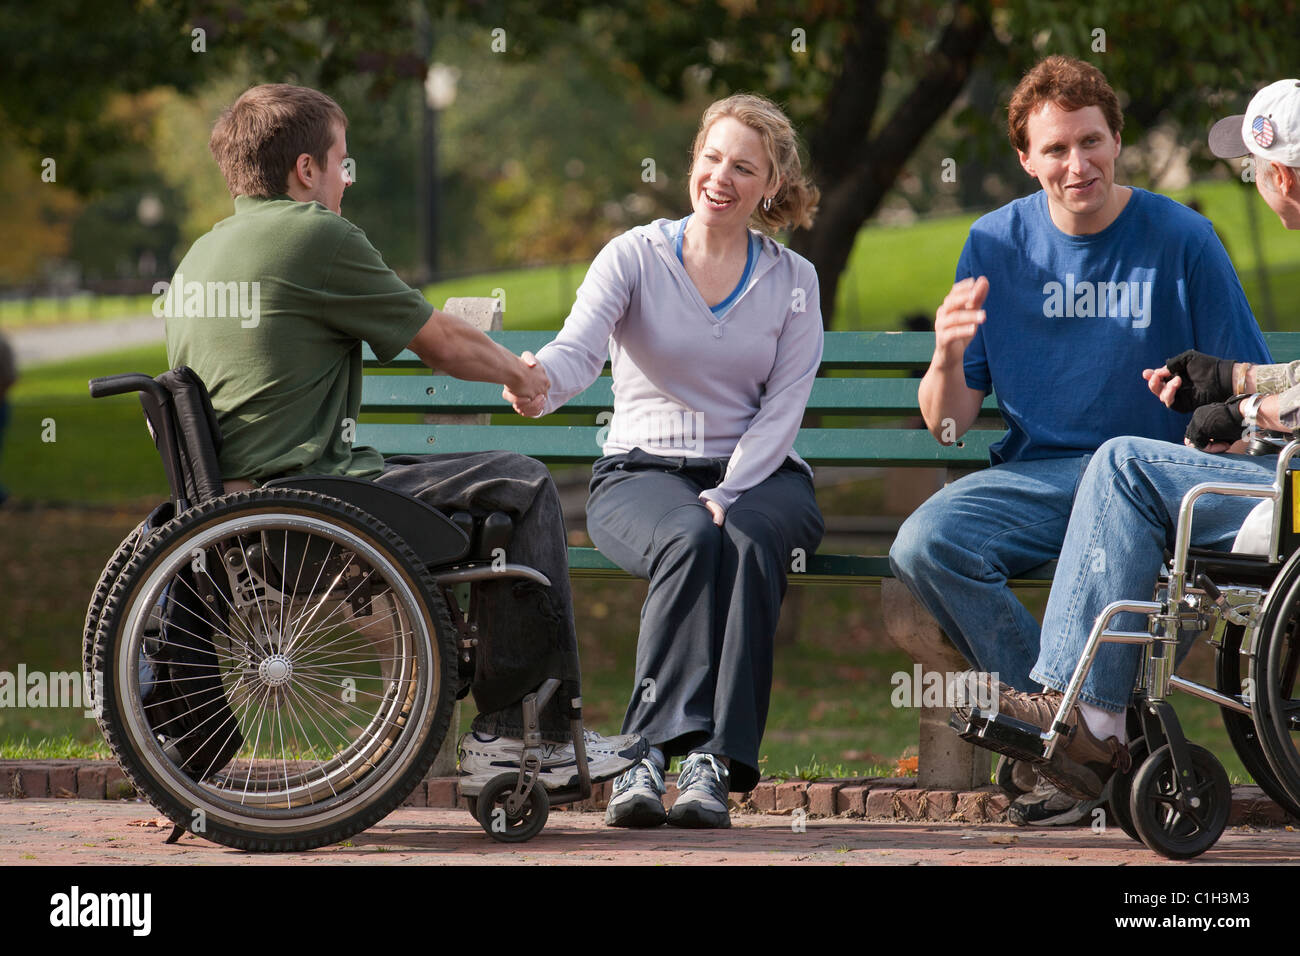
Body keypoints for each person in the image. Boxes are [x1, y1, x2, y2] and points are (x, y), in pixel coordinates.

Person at [164, 83, 645, 792]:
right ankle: (516, 737)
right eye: (341, 164)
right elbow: (442, 340)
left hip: (235, 518)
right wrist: (522, 374)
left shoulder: (202, 256)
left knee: (470, 483)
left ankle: (499, 708)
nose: (344, 183)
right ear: (305, 170)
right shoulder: (312, 236)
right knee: (524, 483)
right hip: (310, 509)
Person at [888, 55, 1272, 826]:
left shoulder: (1182, 238)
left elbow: (1246, 382)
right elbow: (950, 422)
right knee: (926, 541)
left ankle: (1069, 727)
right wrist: (947, 354)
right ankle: (1081, 732)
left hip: (1152, 485)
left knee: (1115, 461)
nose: (1077, 164)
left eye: (1091, 142)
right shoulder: (994, 244)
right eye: (1056, 150)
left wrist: (1214, 426)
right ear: (1027, 160)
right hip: (1040, 481)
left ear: (1117, 140)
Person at [504, 93, 825, 828]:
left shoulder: (793, 281)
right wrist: (539, 383)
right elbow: (578, 349)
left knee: (741, 534)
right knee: (689, 533)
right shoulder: (635, 256)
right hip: (641, 475)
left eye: (744, 167)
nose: (722, 176)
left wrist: (733, 489)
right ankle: (645, 754)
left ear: (769, 186)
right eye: (712, 158)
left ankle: (706, 760)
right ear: (693, 163)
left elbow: (783, 408)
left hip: (764, 476)